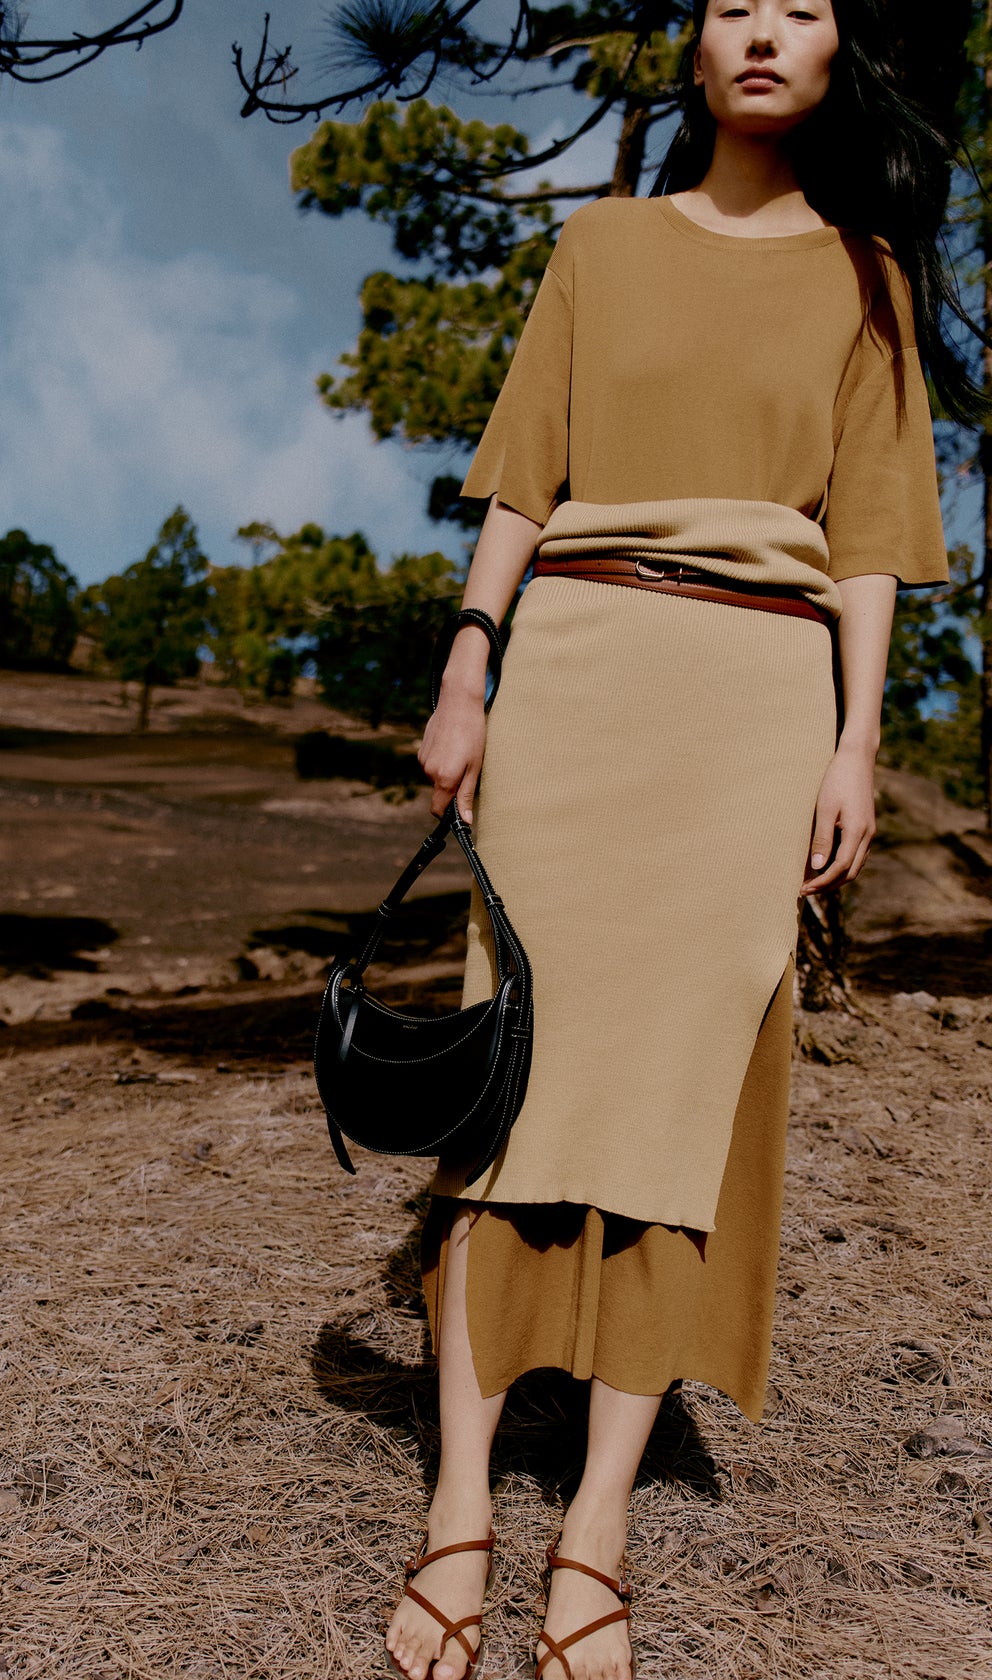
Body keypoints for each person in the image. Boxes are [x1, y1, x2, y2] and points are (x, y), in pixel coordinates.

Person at [382, 3, 973, 1678]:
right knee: (516, 1076)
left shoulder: (868, 277)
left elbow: (869, 538)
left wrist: (856, 739)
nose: (765, 33)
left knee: (680, 1099)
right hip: (574, 677)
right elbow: (523, 479)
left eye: (802, 7)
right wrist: (468, 669)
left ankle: (597, 1529)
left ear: (839, 54)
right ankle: (459, 1507)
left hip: (753, 709)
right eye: (733, 7)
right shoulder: (603, 247)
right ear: (697, 52)